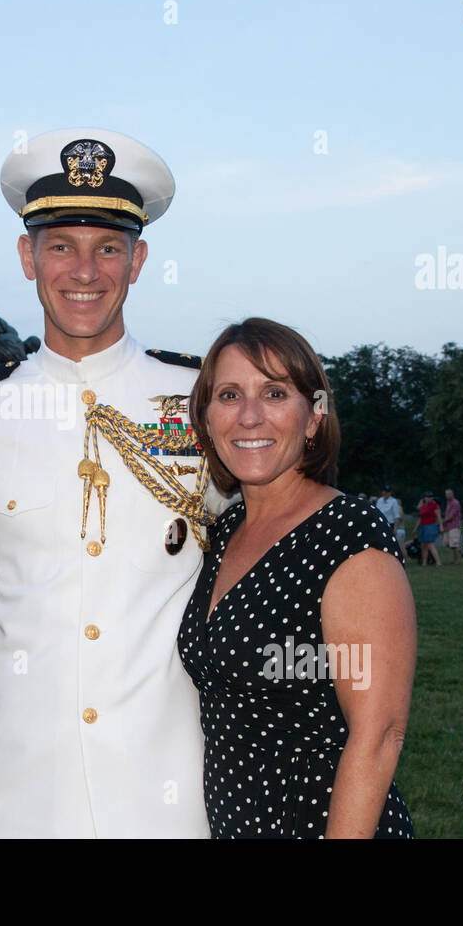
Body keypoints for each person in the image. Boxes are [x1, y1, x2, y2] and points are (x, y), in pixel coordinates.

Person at [0, 128, 212, 838]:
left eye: (109, 247)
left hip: (172, 788)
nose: (84, 271)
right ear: (27, 257)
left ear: (139, 259)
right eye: (61, 245)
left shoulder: (204, 402)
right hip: (22, 791)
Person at [177, 318, 416, 838]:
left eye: (275, 393)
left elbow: (378, 735)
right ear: (208, 418)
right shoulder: (225, 531)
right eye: (229, 394)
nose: (249, 415)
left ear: (313, 418)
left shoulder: (348, 533)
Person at [376, 485, 405, 563]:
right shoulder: (380, 500)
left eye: (386, 492)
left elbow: (396, 516)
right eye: (384, 491)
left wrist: (395, 527)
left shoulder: (393, 501)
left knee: (390, 542)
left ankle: (394, 559)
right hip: (381, 523)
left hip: (390, 524)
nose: (384, 493)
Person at [441, 488, 463, 564]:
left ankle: (455, 561)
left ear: (452, 494)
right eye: (446, 494)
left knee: (454, 544)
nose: (447, 495)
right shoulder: (448, 502)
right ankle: (462, 551)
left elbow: (451, 516)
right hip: (447, 526)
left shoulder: (455, 503)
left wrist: (442, 522)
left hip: (454, 526)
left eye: (449, 494)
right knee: (446, 543)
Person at [416, 491, 442, 567]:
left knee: (430, 544)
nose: (428, 498)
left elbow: (439, 516)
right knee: (423, 545)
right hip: (422, 526)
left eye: (430, 497)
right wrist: (421, 502)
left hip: (430, 526)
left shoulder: (434, 505)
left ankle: (438, 562)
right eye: (427, 497)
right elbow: (418, 509)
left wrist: (441, 526)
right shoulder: (423, 505)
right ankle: (424, 562)